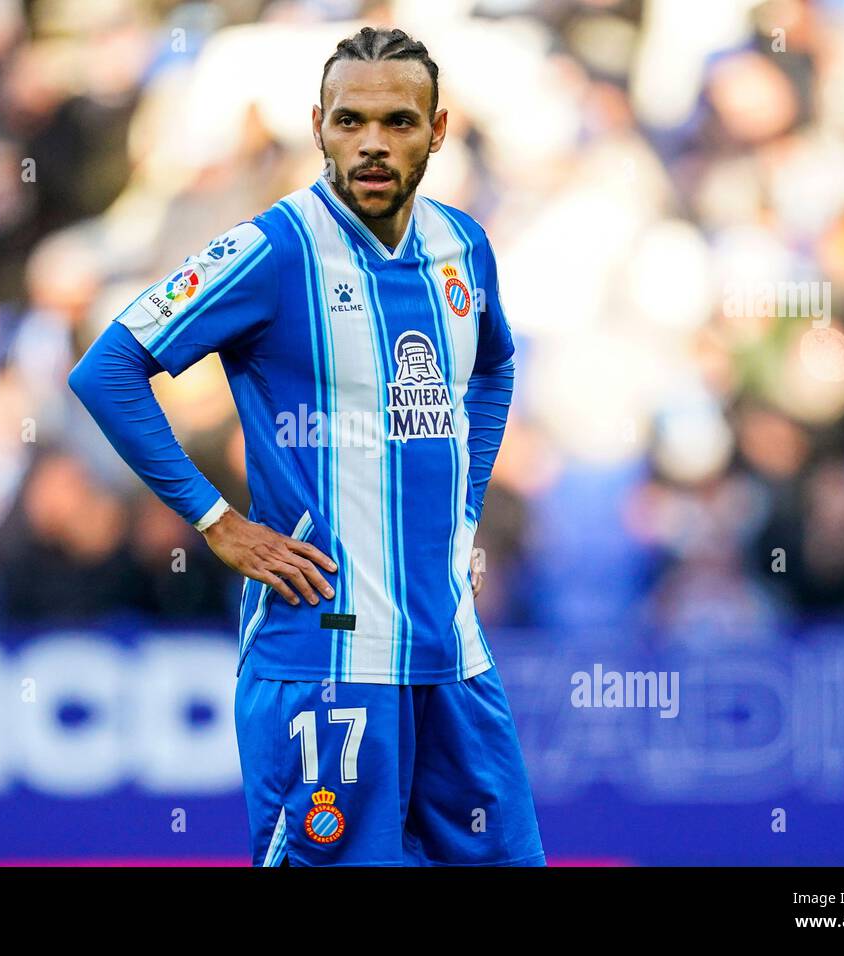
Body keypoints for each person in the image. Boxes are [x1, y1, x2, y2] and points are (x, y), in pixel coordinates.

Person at [69, 26, 544, 867]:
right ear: (317, 123)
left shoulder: (462, 245)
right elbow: (109, 370)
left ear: (437, 131)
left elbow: (495, 368)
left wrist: (463, 508)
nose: (371, 143)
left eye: (398, 122)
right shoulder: (272, 250)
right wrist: (217, 520)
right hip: (326, 660)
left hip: (453, 657)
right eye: (349, 120)